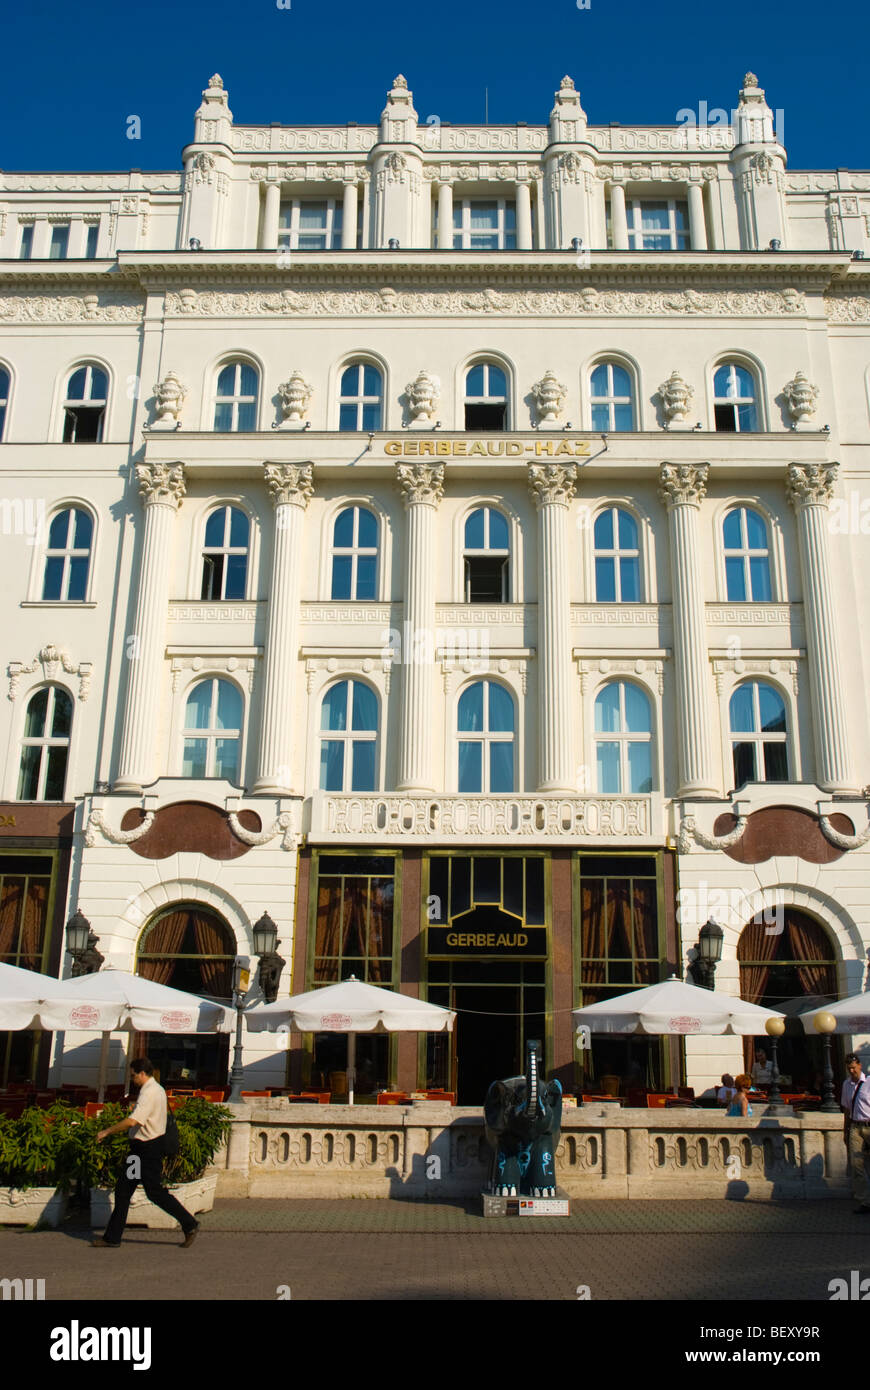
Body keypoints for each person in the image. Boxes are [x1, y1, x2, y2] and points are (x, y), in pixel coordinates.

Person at [91, 1057, 199, 1248]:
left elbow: (134, 1121)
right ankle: (112, 1237)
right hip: (139, 1149)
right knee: (124, 1190)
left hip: (148, 1150)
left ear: (142, 1073)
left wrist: (107, 1131)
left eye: (133, 1076)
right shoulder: (156, 1089)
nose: (132, 1079)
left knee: (154, 1192)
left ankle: (189, 1224)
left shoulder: (149, 1092)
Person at [841, 1052, 870, 1215]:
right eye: (848, 1068)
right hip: (855, 1127)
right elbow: (846, 1109)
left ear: (860, 1065)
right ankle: (865, 1201)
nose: (852, 1071)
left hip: (869, 1124)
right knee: (856, 1164)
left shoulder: (869, 1082)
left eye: (853, 1067)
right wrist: (845, 1131)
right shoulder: (846, 1085)